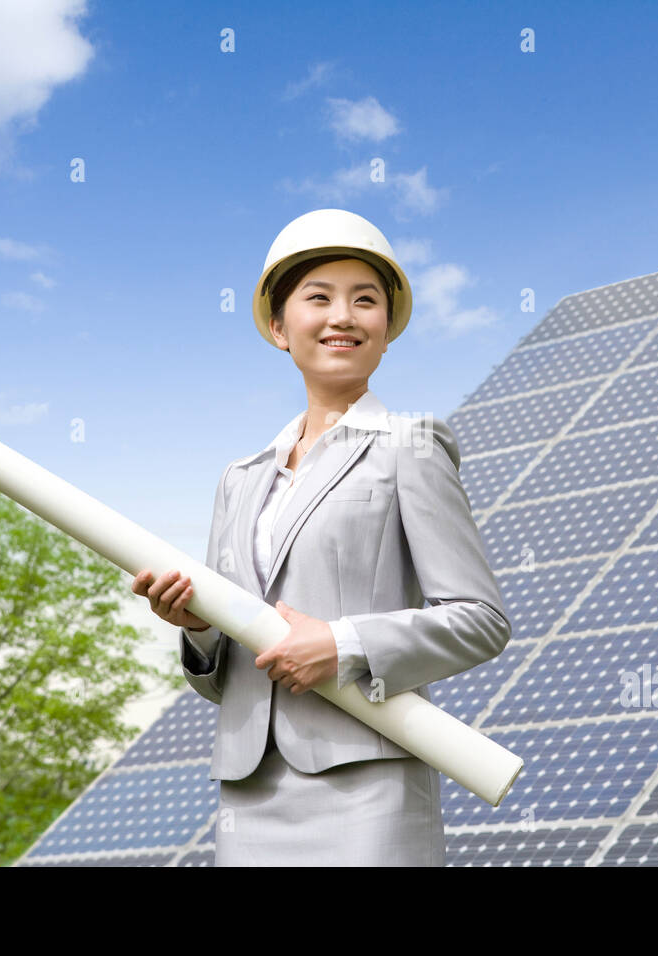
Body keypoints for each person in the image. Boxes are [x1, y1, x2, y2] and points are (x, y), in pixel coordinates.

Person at [131, 208, 510, 866]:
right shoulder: (239, 480)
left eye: (365, 300)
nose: (343, 316)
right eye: (319, 298)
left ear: (387, 330)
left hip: (367, 788)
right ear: (279, 327)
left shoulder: (410, 446)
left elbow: (480, 621)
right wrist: (196, 628)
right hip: (250, 790)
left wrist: (340, 644)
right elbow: (225, 679)